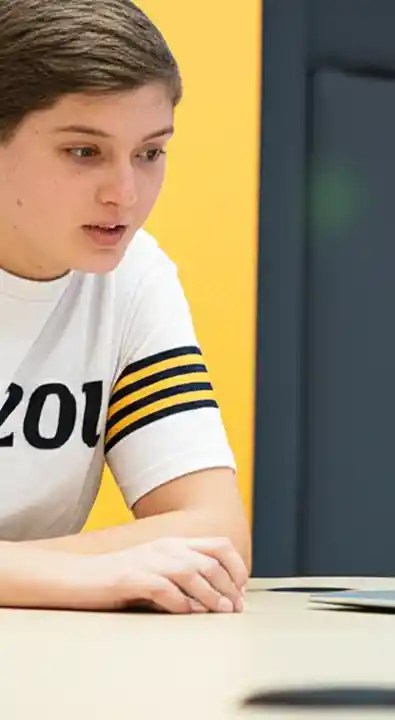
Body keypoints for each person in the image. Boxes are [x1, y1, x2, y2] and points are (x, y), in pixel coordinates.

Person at [0, 0, 249, 612]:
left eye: (150, 152)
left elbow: (216, 532)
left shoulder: (133, 275)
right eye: (84, 152)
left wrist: (27, 575)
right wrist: (81, 578)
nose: (126, 194)